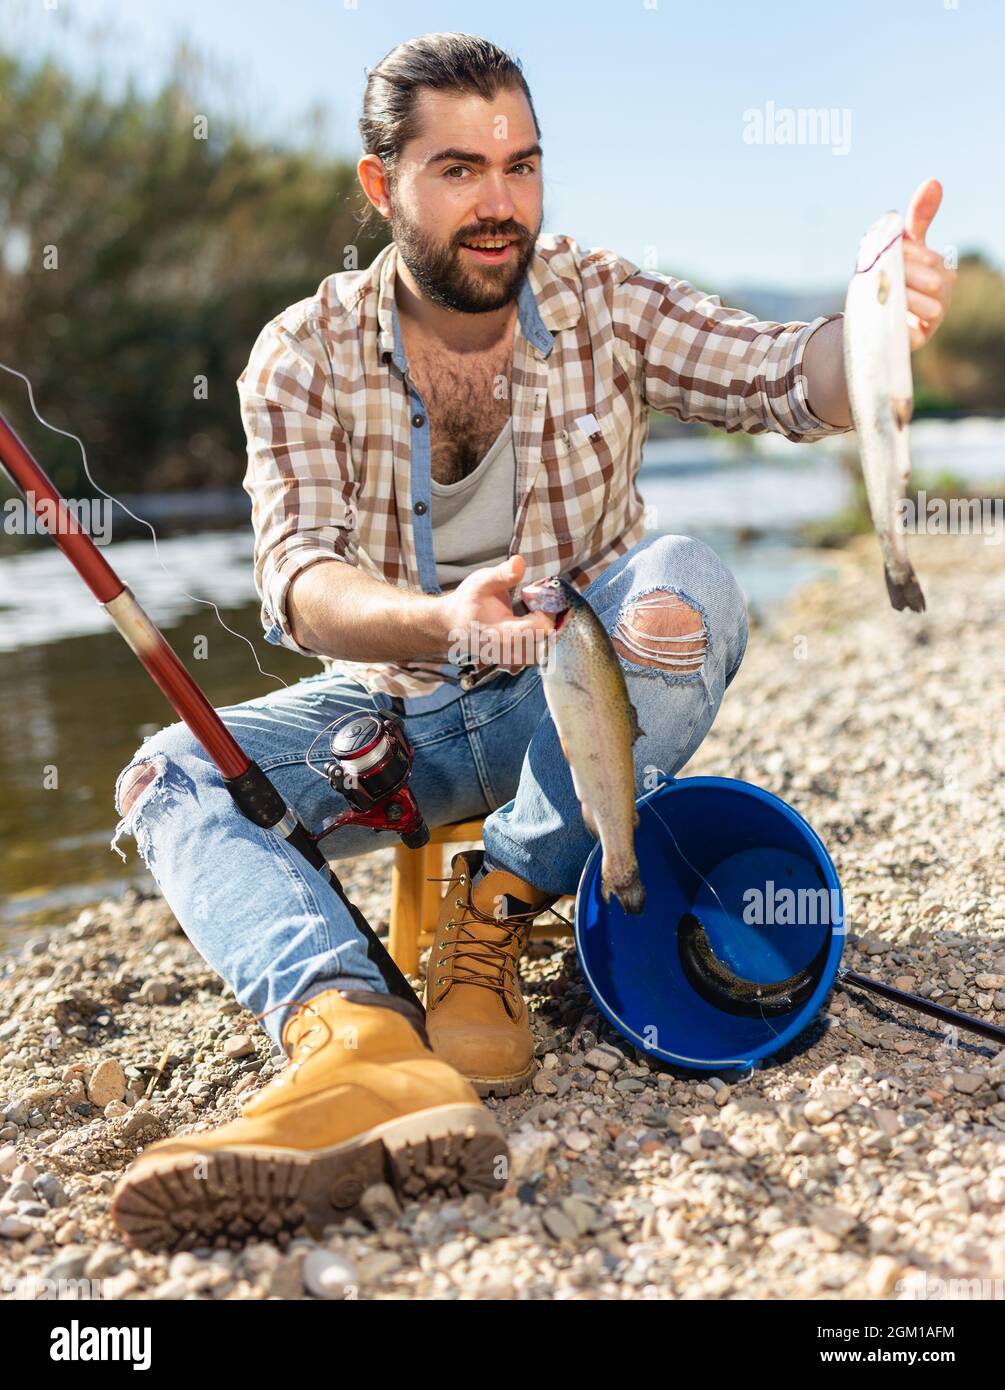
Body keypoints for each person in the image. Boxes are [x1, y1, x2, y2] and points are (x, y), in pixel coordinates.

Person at [108, 32, 955, 1251]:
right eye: (458, 169)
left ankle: (493, 919)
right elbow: (300, 587)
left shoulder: (605, 298)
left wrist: (873, 327)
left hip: (579, 698)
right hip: (389, 714)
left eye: (522, 164)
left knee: (688, 579)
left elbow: (788, 376)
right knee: (166, 773)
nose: (498, 202)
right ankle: (354, 1039)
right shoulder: (299, 353)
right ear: (379, 185)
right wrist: (443, 618)